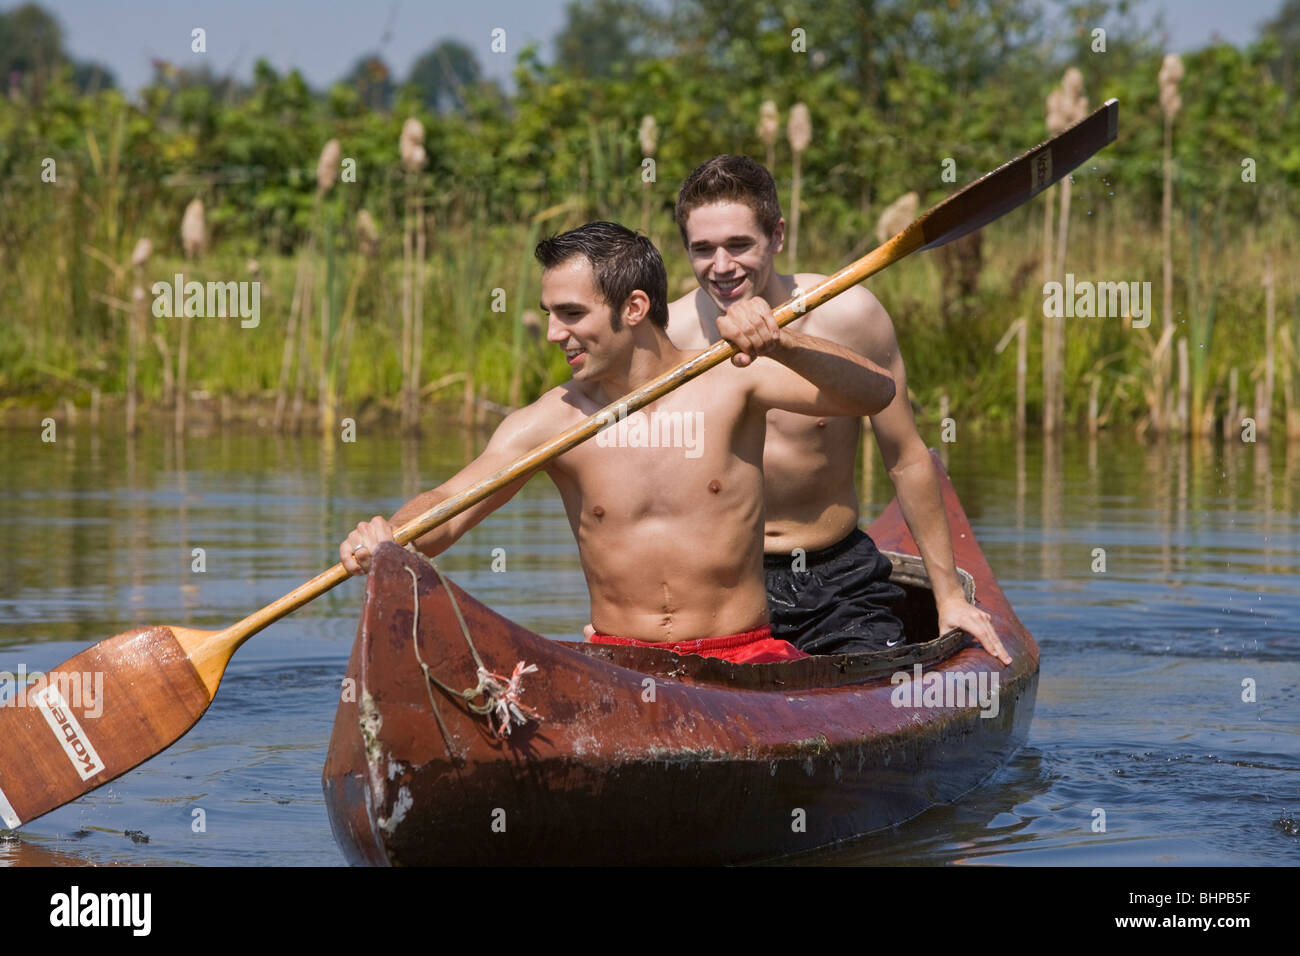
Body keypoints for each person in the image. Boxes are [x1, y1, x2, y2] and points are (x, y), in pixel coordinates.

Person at [340, 221, 896, 664]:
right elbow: (450, 508)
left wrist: (781, 341)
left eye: (572, 314)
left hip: (743, 657)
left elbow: (874, 393)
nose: (555, 333)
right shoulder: (549, 422)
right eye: (550, 315)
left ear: (633, 308)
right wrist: (392, 538)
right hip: (620, 664)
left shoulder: (733, 380)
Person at [667, 155, 1011, 664]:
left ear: (777, 235)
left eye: (739, 245)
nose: (721, 267)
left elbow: (906, 457)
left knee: (873, 694)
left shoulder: (852, 316)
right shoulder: (669, 338)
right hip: (715, 583)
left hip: (834, 581)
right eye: (703, 250)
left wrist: (949, 597)